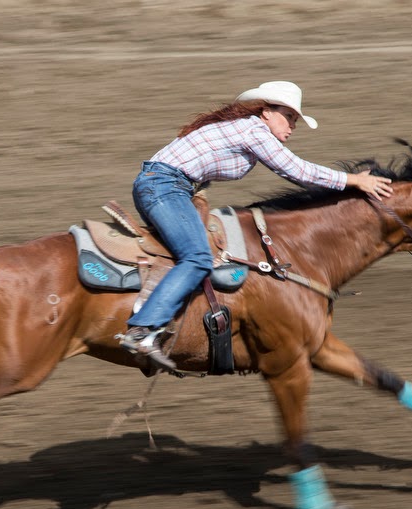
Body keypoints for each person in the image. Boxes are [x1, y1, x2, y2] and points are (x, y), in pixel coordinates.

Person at [119, 80, 394, 371]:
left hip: (166, 187)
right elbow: (297, 171)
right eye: (288, 117)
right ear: (266, 112)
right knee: (198, 257)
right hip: (164, 187)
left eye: (295, 120)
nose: (293, 126)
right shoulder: (255, 131)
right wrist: (353, 180)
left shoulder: (245, 129)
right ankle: (142, 330)